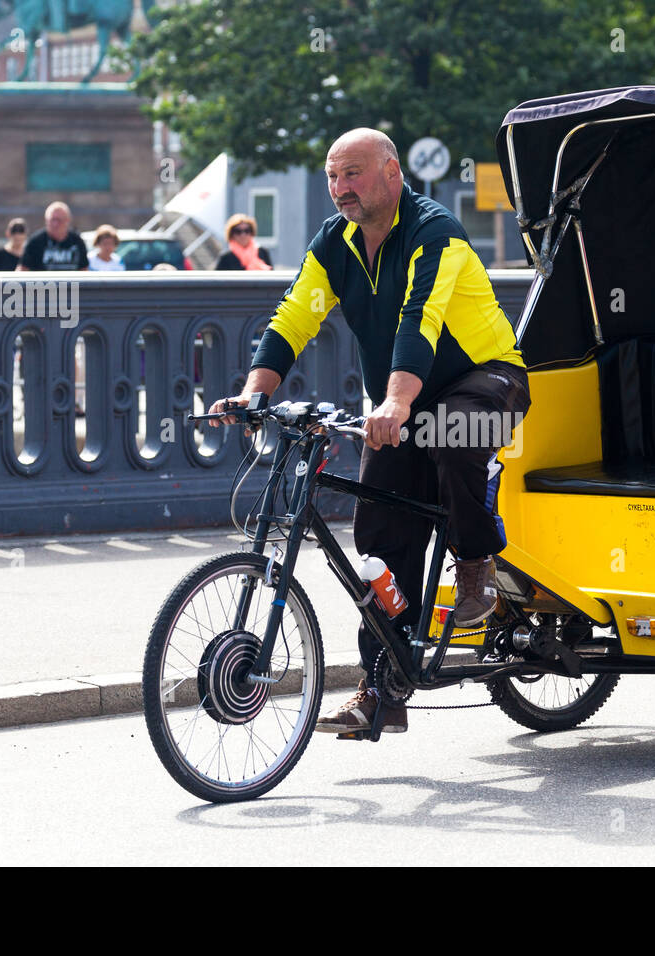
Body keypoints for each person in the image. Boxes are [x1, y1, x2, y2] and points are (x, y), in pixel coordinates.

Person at [207, 128, 530, 737]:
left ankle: (475, 563)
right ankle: (383, 690)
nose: (340, 188)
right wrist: (255, 394)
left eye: (352, 174)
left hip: (487, 379)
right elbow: (296, 314)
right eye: (332, 176)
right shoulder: (336, 241)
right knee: (380, 536)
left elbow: (420, 320)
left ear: (391, 173)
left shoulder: (435, 233)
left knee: (454, 434)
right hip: (403, 399)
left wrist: (396, 403)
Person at [17, 201, 89, 271]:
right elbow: (22, 270)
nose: (55, 224)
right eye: (52, 220)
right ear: (46, 220)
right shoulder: (35, 242)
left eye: (59, 220)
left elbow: (84, 270)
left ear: (68, 220)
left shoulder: (77, 242)